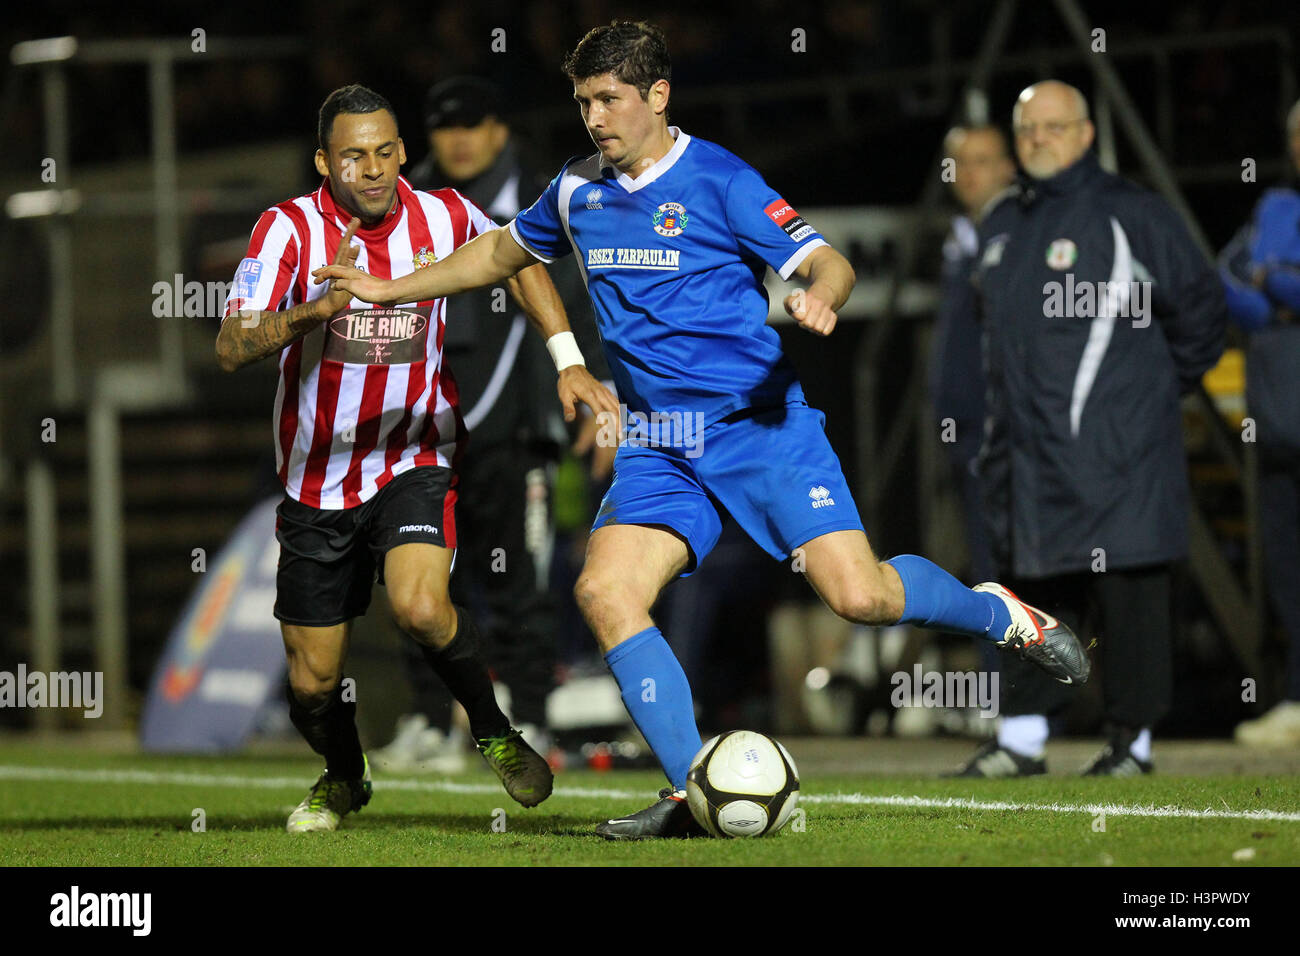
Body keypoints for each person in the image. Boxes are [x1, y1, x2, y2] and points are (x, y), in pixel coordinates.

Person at [314, 22, 1089, 839]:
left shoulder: (721, 181)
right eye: (584, 102)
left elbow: (829, 261)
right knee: (605, 591)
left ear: (658, 96)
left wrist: (822, 294)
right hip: (660, 442)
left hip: (761, 429)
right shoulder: (578, 190)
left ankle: (999, 613)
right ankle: (692, 789)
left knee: (861, 597)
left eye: (610, 99)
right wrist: (387, 287)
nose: (596, 118)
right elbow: (499, 253)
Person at [215, 84, 616, 831]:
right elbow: (232, 343)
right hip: (316, 479)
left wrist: (564, 355)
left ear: (402, 152)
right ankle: (343, 775)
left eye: (385, 152)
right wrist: (314, 313)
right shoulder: (287, 230)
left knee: (422, 607)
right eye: (353, 156)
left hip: (416, 458)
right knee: (312, 684)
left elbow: (520, 258)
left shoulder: (443, 213)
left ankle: (492, 730)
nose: (371, 170)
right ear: (323, 163)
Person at [954, 81, 1226, 777]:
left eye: (1054, 126)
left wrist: (1149, 397)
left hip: (1119, 457)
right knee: (1032, 596)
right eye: (1028, 129)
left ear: (1085, 134)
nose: (1039, 139)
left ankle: (1132, 745)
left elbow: (1200, 312)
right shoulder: (1001, 225)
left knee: (1128, 592)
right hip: (1026, 458)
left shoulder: (1132, 214)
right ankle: (1021, 741)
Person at [372, 76, 615, 771]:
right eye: (445, 125)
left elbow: (588, 294)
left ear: (499, 128)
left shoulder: (552, 197)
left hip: (521, 425)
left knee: (522, 586)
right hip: (423, 427)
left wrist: (601, 397)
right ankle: (429, 721)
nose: (458, 138)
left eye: (472, 123)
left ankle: (530, 719)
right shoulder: (405, 200)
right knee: (419, 584)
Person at [1219, 98, 1300, 747]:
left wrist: (1276, 281)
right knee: (1286, 568)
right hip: (1278, 421)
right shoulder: (1274, 206)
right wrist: (1276, 290)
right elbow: (1226, 281)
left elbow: (1270, 282)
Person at [930, 124, 1016, 588]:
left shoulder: (1017, 237)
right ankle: (998, 662)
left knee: (1014, 571)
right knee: (985, 575)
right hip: (965, 437)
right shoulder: (961, 240)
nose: (967, 173)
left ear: (1008, 168)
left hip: (1004, 437)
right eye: (959, 162)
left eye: (982, 161)